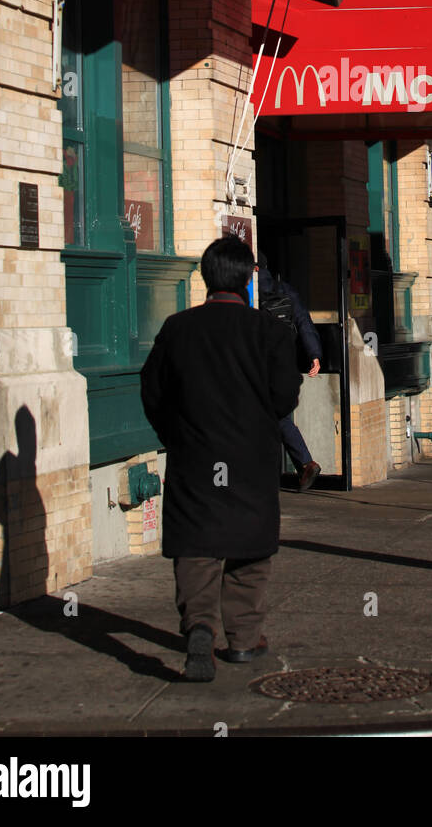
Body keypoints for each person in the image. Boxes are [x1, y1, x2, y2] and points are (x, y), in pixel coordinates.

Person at [140, 235, 300, 681]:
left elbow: (152, 391)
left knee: (197, 546)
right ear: (249, 279)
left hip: (195, 456)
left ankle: (200, 629)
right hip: (251, 458)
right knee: (250, 547)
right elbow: (285, 396)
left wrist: (173, 435)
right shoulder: (269, 332)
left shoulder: (177, 328)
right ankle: (245, 640)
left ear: (205, 278)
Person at [257, 252, 323, 493]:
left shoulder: (246, 291)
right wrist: (314, 354)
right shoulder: (284, 289)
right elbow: (304, 322)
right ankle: (305, 463)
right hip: (284, 364)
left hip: (255, 364)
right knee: (280, 415)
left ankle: (297, 465)